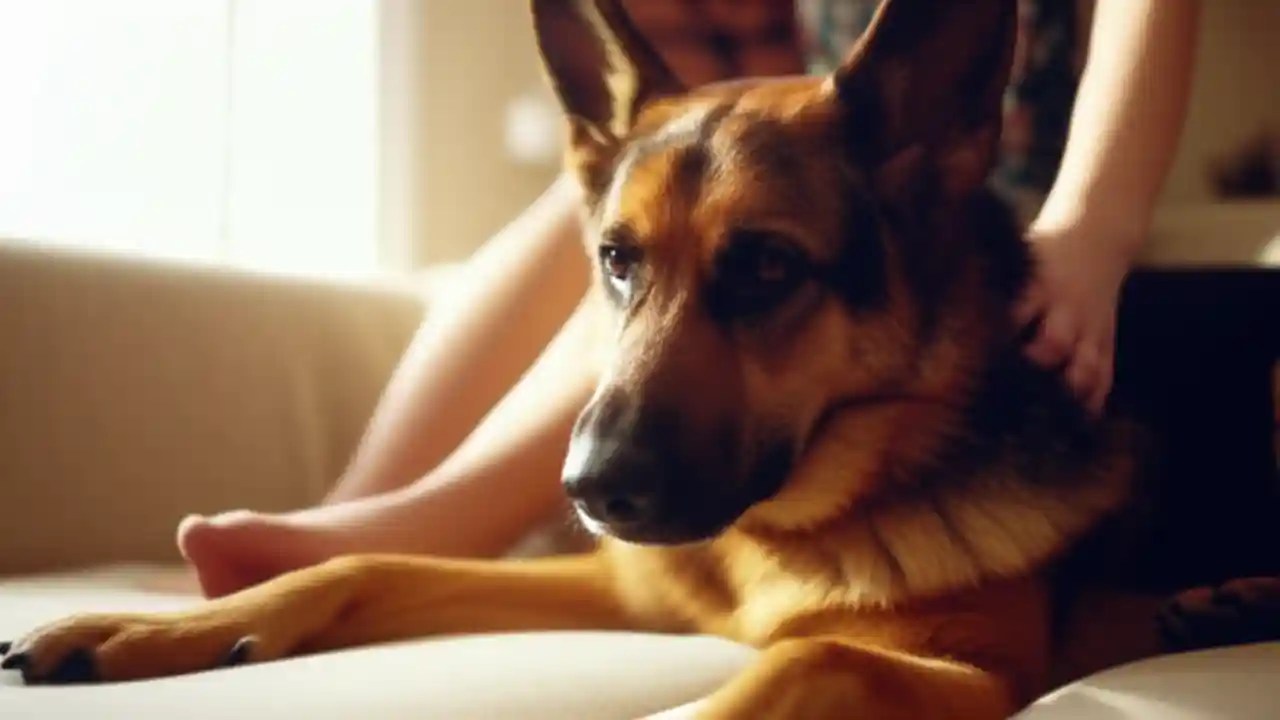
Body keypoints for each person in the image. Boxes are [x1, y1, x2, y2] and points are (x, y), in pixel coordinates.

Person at [176, 0, 1200, 599]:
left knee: (718, 244)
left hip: (982, 204)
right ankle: (365, 507)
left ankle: (425, 528)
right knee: (647, 190)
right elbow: (727, 62)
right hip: (796, 137)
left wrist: (1090, 227)